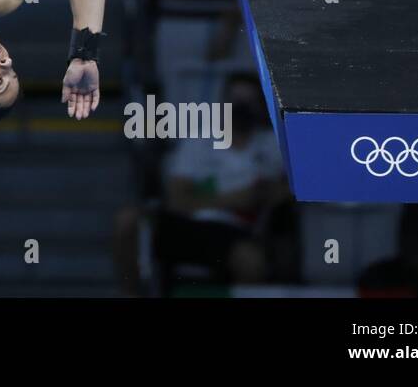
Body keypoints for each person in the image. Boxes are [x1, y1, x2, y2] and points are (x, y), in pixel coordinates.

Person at [112, 74, 288, 295]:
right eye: (235, 100)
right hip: (188, 226)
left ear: (261, 105)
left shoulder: (273, 146)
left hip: (235, 231)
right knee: (127, 221)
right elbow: (177, 199)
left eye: (248, 101)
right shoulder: (200, 142)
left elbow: (284, 192)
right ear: (223, 102)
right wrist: (236, 199)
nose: (241, 108)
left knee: (252, 261)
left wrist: (263, 196)